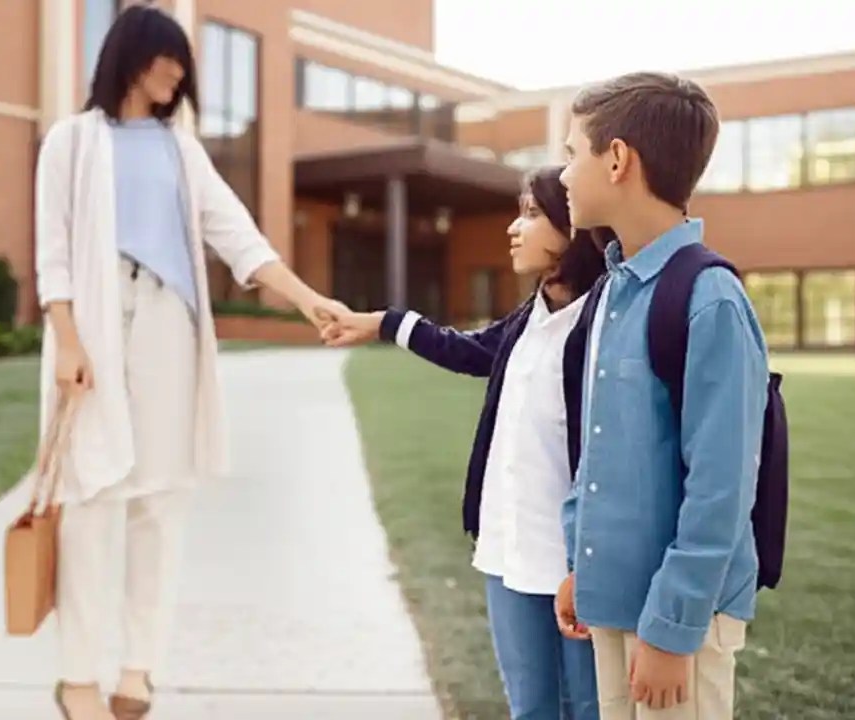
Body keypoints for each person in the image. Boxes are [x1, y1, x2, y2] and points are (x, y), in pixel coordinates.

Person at [34, 6, 346, 720]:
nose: (178, 72)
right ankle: (77, 673)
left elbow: (239, 236)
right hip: (94, 323)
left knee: (161, 498)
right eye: (166, 57)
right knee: (89, 498)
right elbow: (52, 252)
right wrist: (68, 340)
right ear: (129, 57)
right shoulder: (70, 142)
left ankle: (138, 667)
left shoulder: (181, 148)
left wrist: (306, 300)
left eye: (183, 63)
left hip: (168, 326)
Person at [324, 165, 606, 720]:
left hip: (576, 565)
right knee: (530, 709)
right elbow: (464, 350)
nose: (512, 228)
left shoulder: (603, 322)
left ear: (574, 227)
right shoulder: (529, 320)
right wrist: (383, 323)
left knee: (589, 709)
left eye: (531, 213)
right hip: (507, 551)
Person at [553, 72, 770, 720]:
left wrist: (674, 628)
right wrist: (581, 566)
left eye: (572, 154)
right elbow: (600, 450)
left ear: (616, 159)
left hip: (680, 623)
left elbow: (722, 487)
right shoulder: (615, 292)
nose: (562, 175)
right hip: (613, 600)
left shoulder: (711, 302)